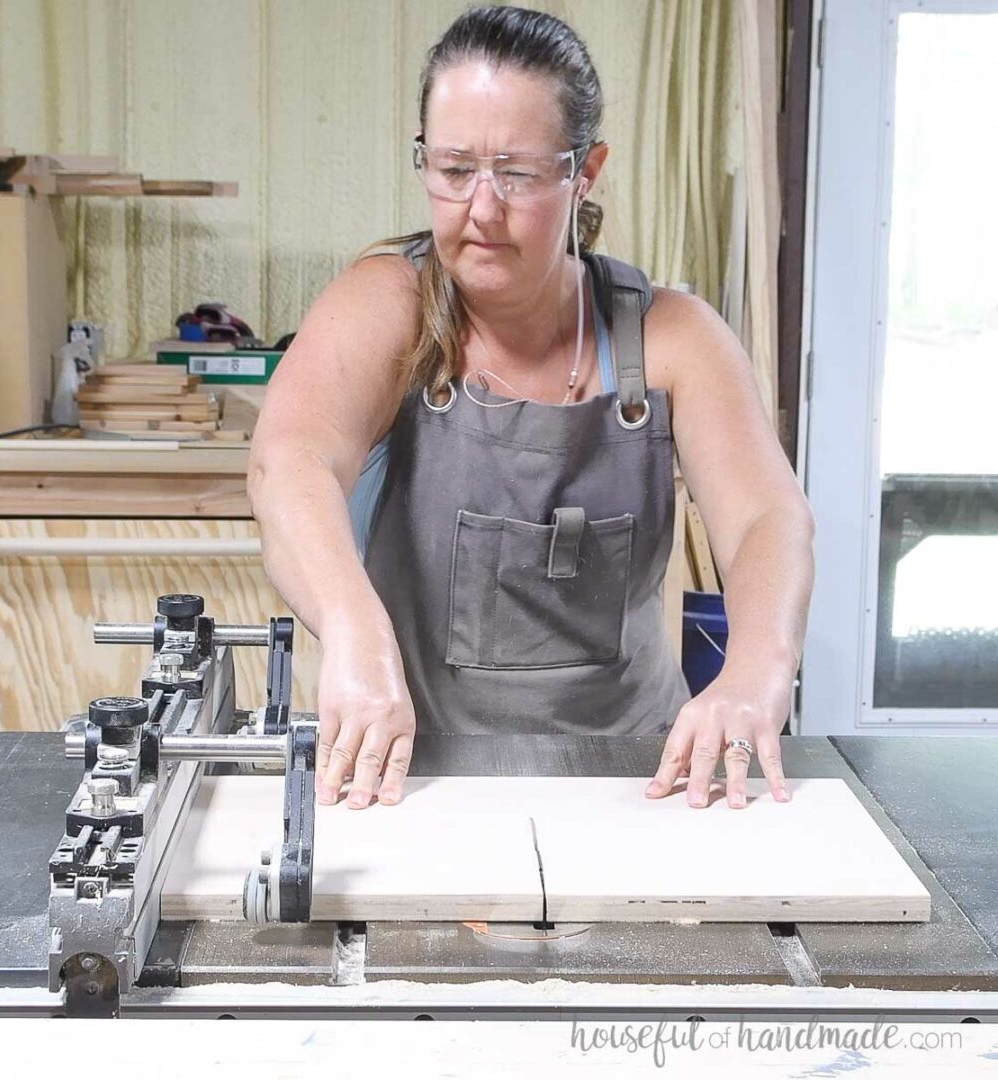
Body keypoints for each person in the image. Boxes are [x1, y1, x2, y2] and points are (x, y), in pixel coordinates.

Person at [248, 6, 815, 816]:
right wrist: (353, 631)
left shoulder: (671, 336)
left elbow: (767, 518)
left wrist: (756, 669)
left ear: (584, 171)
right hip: (420, 777)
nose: (481, 208)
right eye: (452, 170)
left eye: (515, 174)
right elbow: (290, 461)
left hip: (640, 779)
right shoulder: (388, 304)